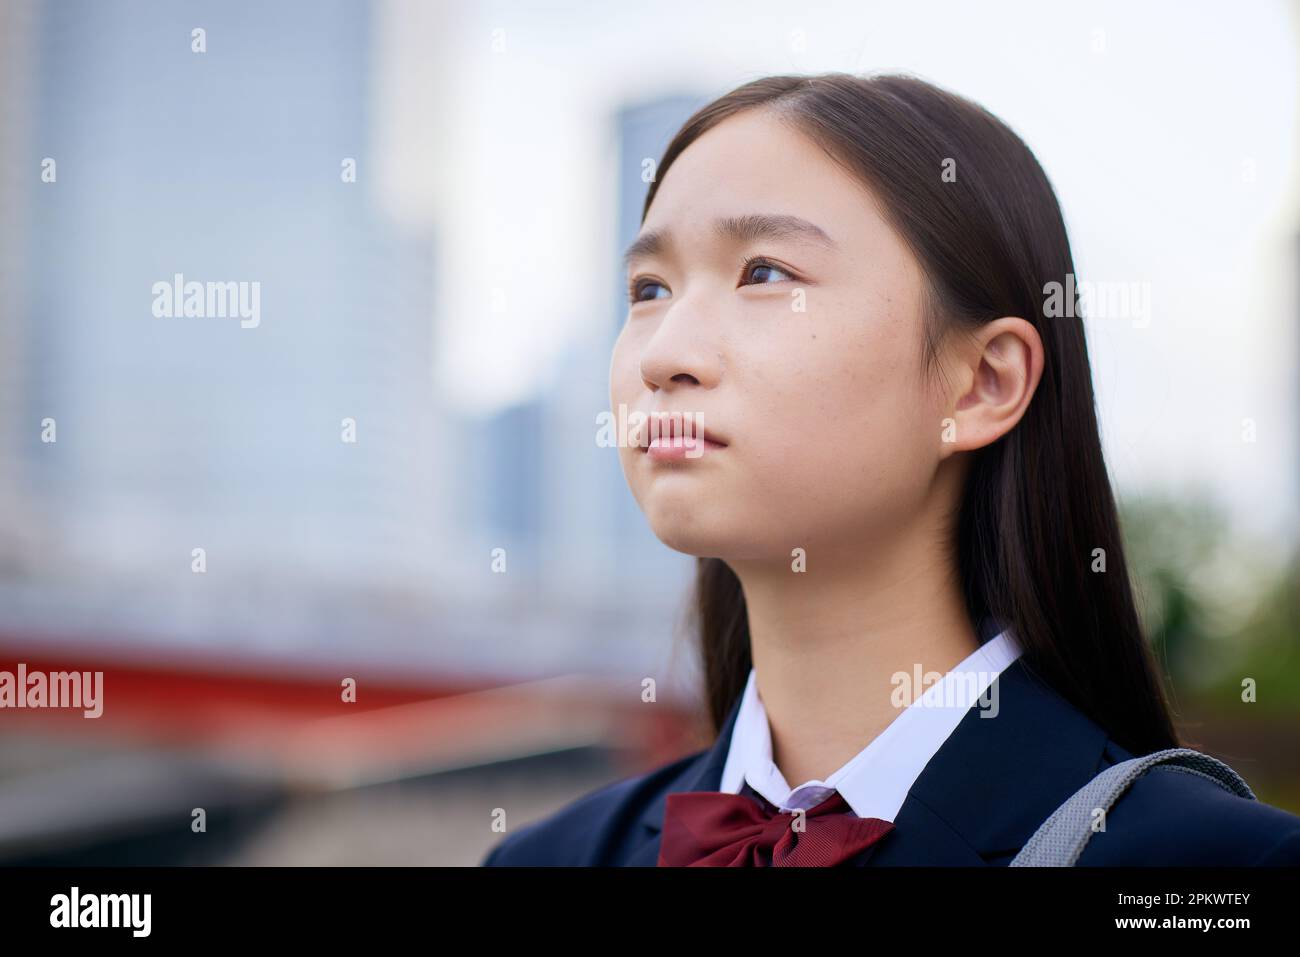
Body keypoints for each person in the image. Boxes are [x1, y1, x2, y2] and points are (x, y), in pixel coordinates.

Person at [481, 71, 1300, 866]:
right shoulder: (548, 857)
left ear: (983, 382)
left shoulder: (1211, 864)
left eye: (765, 273)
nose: (664, 355)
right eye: (649, 287)